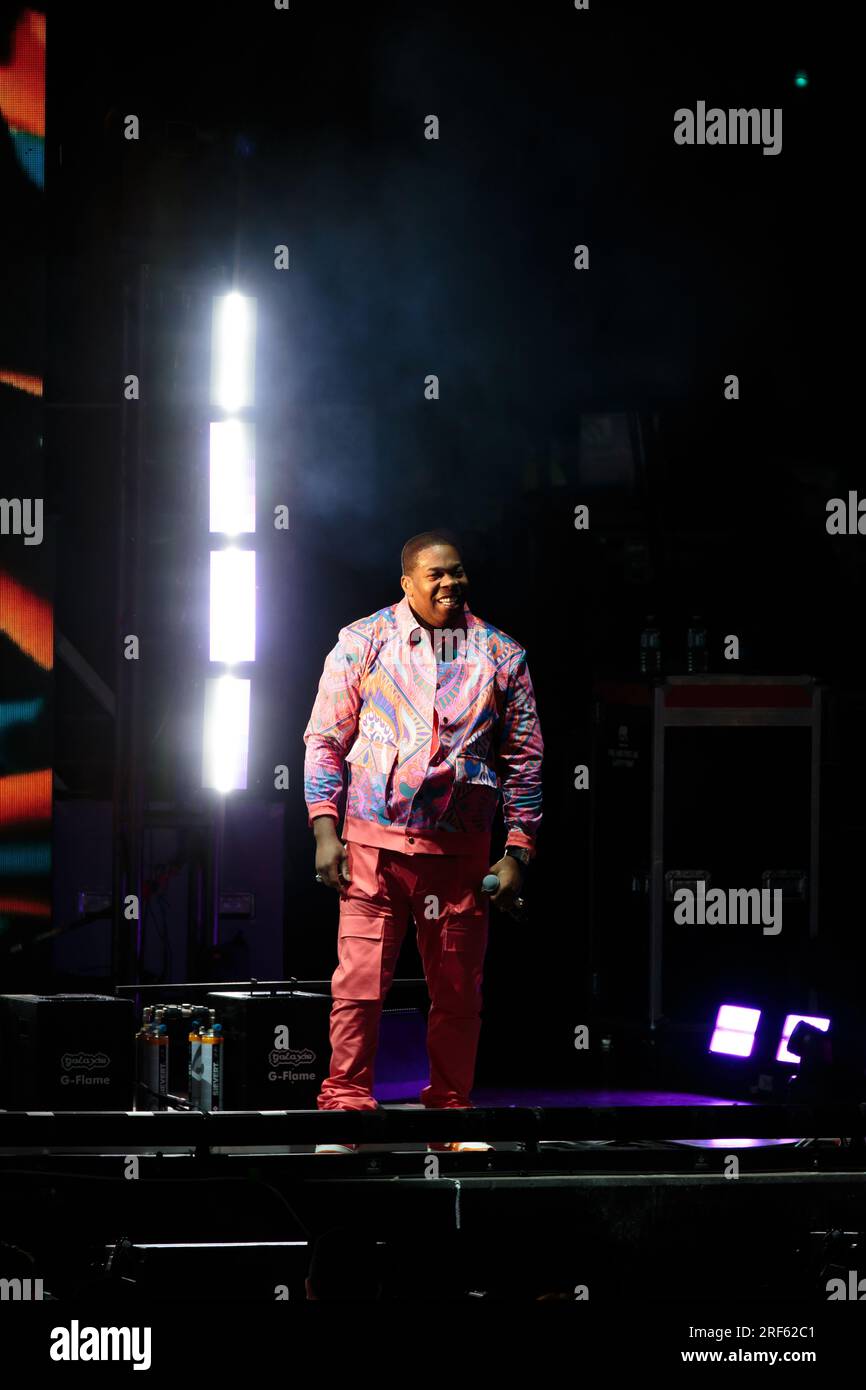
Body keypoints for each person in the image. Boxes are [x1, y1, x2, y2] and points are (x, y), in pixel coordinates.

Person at [303, 529, 543, 1152]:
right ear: (407, 581)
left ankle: (450, 1117)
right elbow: (325, 740)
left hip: (459, 858)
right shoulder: (363, 642)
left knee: (458, 992)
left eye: (458, 573)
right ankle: (346, 1109)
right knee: (358, 985)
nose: (450, 583)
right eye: (435, 574)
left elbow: (525, 758)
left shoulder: (500, 654)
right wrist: (325, 830)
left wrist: (517, 849)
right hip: (373, 852)